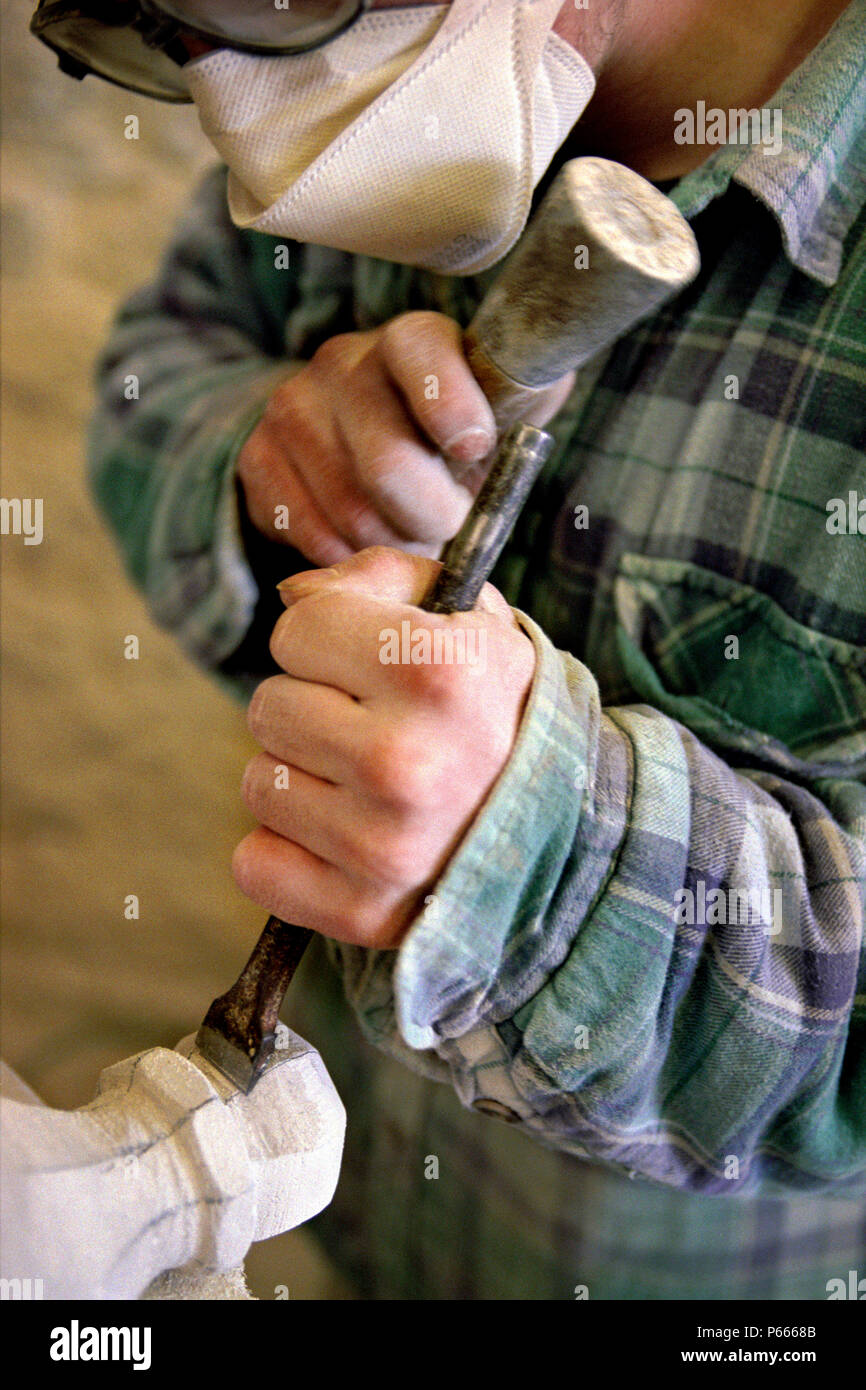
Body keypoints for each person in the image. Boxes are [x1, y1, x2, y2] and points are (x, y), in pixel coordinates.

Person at [34, 0, 865, 1298]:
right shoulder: (354, 54)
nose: (248, 112)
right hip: (375, 1230)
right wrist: (270, 477)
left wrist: (539, 856)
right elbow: (165, 358)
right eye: (159, 23)